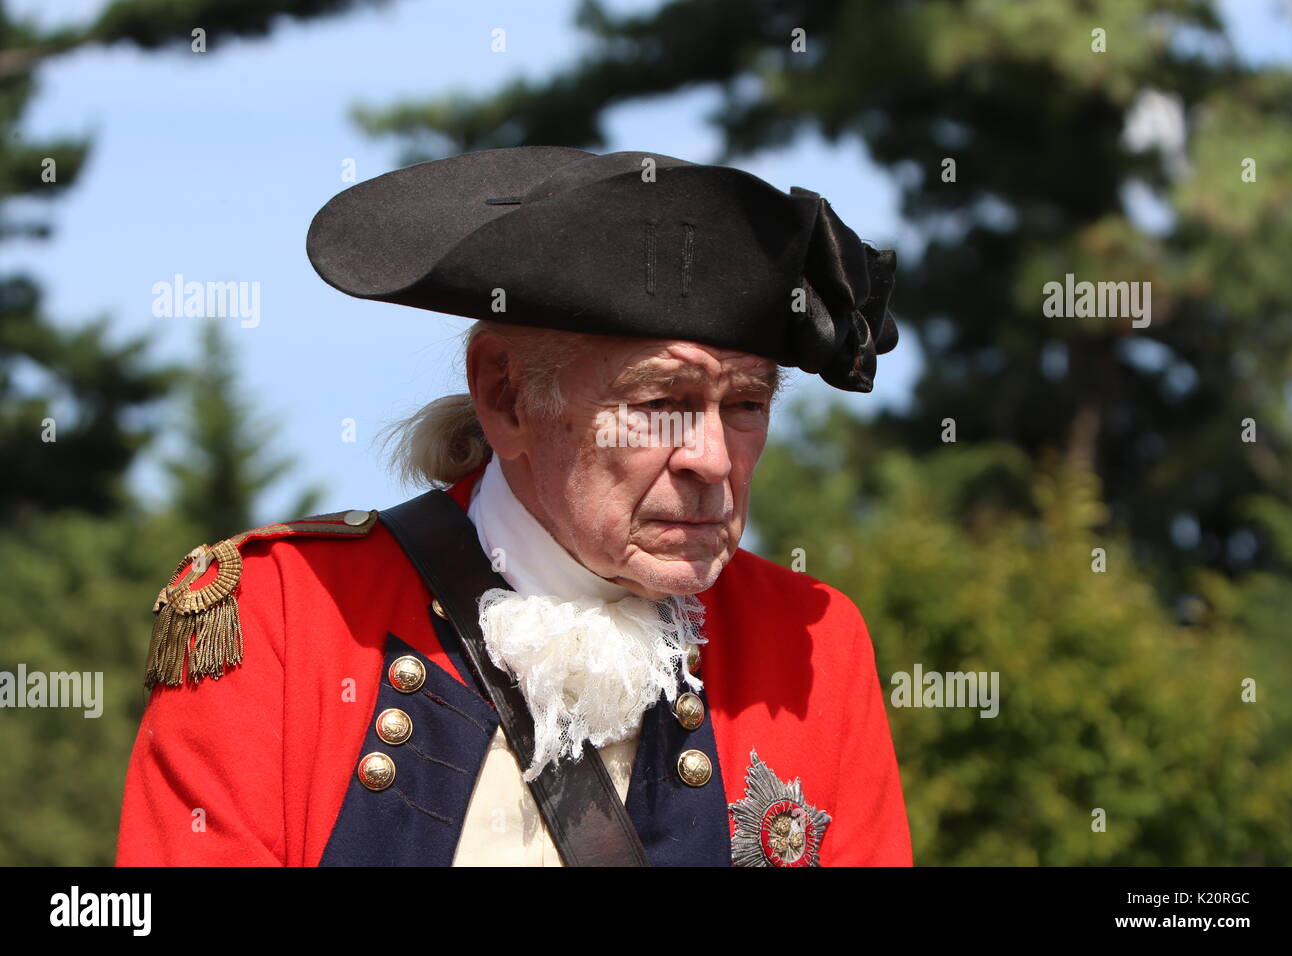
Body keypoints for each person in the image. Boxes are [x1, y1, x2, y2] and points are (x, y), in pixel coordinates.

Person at [115, 146, 912, 866]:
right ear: (507, 396)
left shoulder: (811, 641)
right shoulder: (281, 620)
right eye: (663, 400)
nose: (711, 458)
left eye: (745, 405)